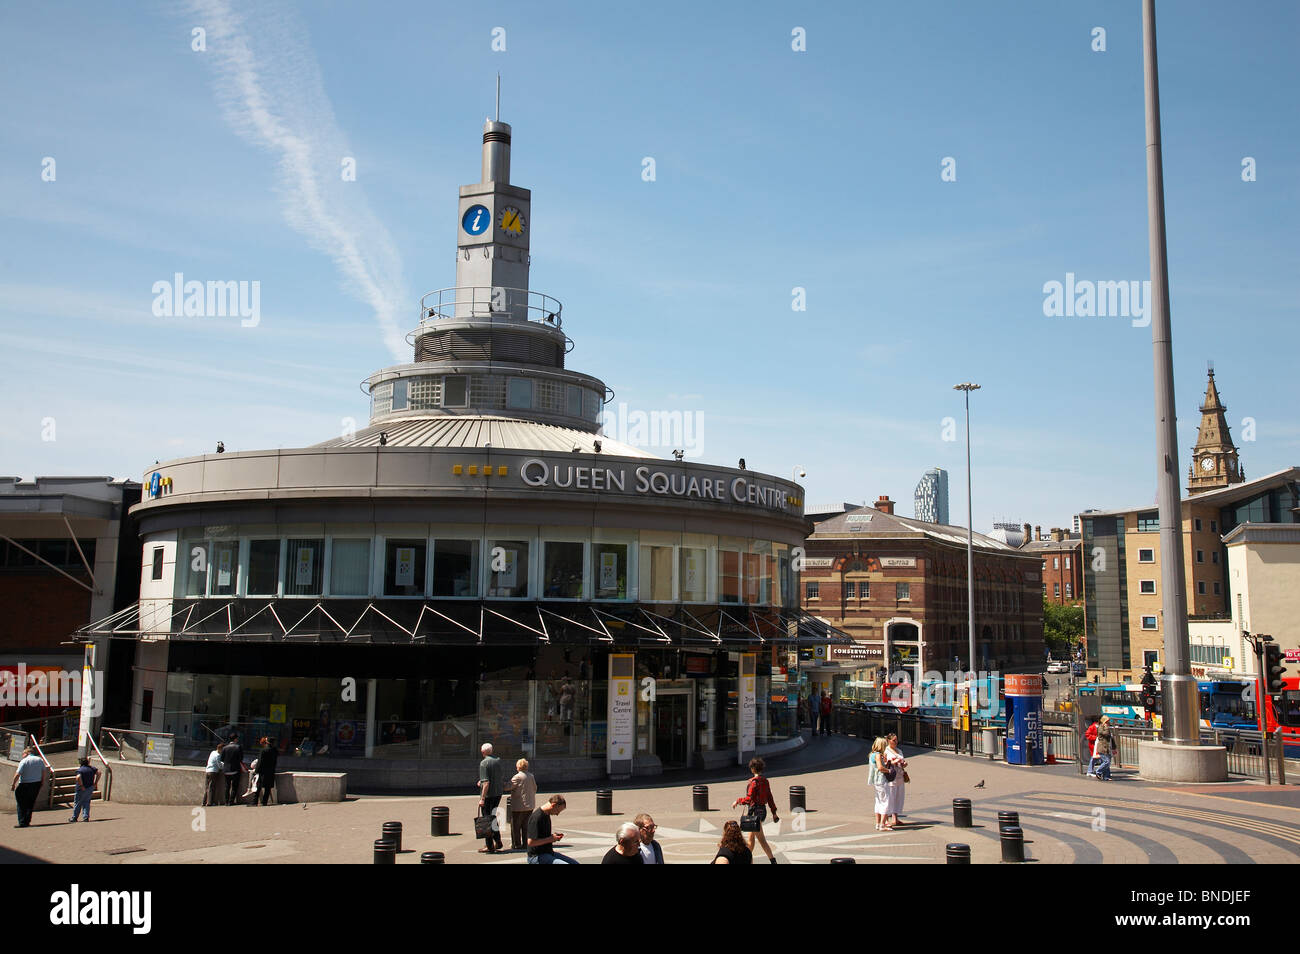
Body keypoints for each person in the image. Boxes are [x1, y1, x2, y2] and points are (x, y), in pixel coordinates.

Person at [732, 756, 779, 863]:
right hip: (762, 812)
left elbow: (749, 799)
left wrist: (738, 801)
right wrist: (774, 812)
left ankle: (773, 861)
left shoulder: (753, 782)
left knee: (761, 839)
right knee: (750, 839)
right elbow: (770, 798)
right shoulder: (765, 781)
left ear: (752, 769)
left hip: (754, 814)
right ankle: (747, 861)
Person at [527, 794, 578, 864]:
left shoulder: (546, 814)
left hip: (548, 853)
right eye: (558, 811)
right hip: (537, 856)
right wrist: (550, 839)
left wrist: (554, 837)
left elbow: (542, 835)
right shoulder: (536, 817)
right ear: (553, 805)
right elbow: (530, 842)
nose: (557, 814)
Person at [477, 742, 506, 853]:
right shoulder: (498, 760)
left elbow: (487, 783)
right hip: (498, 793)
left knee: (486, 820)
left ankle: (490, 846)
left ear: (483, 752)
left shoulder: (484, 763)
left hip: (489, 795)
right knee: (492, 817)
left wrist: (482, 798)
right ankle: (498, 841)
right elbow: (497, 777)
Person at [11, 747, 46, 828]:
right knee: (30, 803)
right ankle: (27, 821)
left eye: (23, 754)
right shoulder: (39, 760)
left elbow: (18, 774)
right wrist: (42, 782)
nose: (22, 756)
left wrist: (13, 784)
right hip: (36, 784)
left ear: (27, 753)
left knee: (21, 803)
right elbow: (43, 771)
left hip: (25, 784)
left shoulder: (24, 761)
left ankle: (22, 822)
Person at [509, 758, 537, 851]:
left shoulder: (517, 777)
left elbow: (508, 787)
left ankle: (516, 844)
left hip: (519, 805)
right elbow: (535, 788)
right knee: (526, 825)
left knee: (515, 825)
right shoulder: (531, 776)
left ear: (518, 766)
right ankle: (526, 843)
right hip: (530, 804)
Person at [868, 737, 893, 831]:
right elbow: (880, 767)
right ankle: (882, 824)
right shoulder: (878, 755)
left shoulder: (872, 754)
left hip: (876, 781)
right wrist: (889, 770)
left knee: (878, 801)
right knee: (885, 801)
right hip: (881, 780)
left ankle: (878, 824)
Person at [885, 732, 908, 827]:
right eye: (893, 740)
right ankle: (885, 819)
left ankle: (895, 818)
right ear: (888, 741)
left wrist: (904, 763)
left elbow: (903, 760)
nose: (895, 742)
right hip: (891, 777)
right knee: (890, 798)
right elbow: (886, 763)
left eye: (896, 740)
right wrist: (894, 761)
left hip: (900, 775)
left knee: (898, 797)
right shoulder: (886, 751)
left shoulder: (899, 750)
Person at [69, 757, 99, 823]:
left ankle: (74, 817)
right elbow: (99, 773)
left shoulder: (80, 770)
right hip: (90, 787)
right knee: (86, 802)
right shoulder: (92, 768)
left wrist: (81, 785)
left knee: (78, 803)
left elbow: (78, 777)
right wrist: (95, 782)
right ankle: (86, 817)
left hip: (81, 788)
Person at [220, 733, 243, 805]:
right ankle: (231, 801)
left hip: (226, 770)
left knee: (227, 786)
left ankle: (226, 801)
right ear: (235, 739)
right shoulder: (238, 747)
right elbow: (241, 759)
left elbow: (222, 759)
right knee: (234, 786)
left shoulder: (224, 748)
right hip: (235, 769)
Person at [255, 737, 278, 806]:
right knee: (267, 788)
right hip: (270, 771)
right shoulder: (274, 751)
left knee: (258, 787)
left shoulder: (263, 750)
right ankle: (264, 802)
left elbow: (260, 762)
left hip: (262, 771)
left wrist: (257, 770)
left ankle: (255, 801)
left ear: (267, 742)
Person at [202, 740, 224, 807]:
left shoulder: (212, 752)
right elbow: (219, 765)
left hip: (208, 770)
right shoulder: (218, 755)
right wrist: (223, 766)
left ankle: (204, 802)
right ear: (220, 749)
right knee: (211, 787)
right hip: (213, 772)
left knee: (207, 787)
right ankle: (209, 802)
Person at [1094, 715, 1116, 781]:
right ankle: (1098, 771)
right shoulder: (1101, 727)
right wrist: (1106, 728)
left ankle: (1106, 776)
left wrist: (1114, 747)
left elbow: (1111, 738)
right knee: (1106, 761)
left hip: (1107, 747)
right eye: (1107, 722)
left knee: (1107, 762)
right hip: (1102, 747)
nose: (1108, 723)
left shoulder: (1106, 727)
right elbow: (1106, 734)